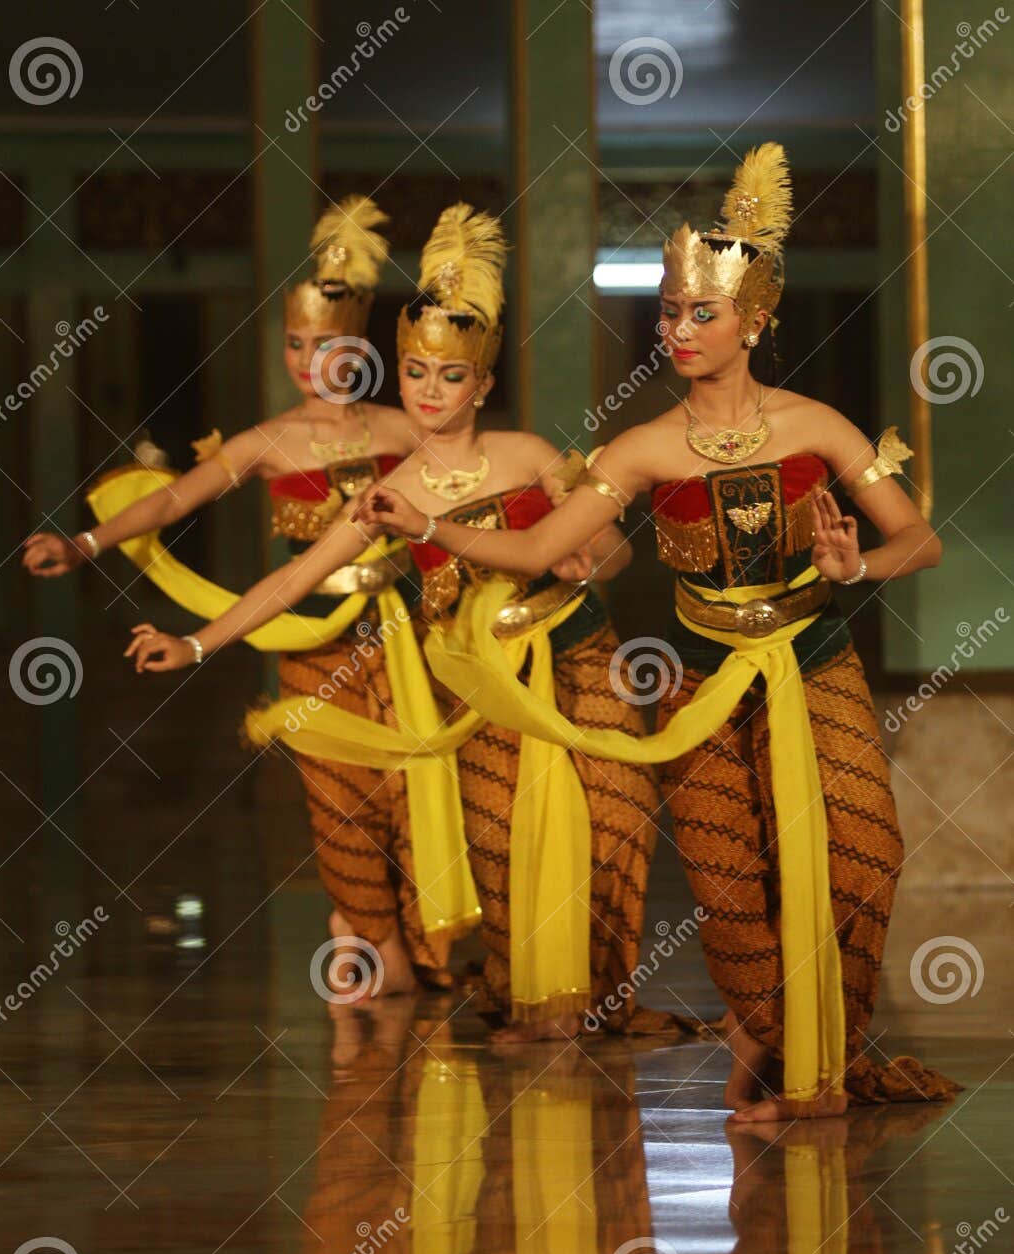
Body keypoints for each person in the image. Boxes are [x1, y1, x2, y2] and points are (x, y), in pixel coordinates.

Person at [355, 145, 958, 1117]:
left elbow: (920, 539)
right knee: (730, 871)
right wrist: (427, 525)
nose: (677, 327)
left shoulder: (819, 426)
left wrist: (858, 567)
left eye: (700, 312)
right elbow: (544, 544)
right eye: (670, 311)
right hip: (703, 676)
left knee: (865, 849)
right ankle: (764, 1036)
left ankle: (827, 1054)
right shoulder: (639, 448)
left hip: (814, 658)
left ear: (755, 320)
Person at [125, 204, 709, 1047]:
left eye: (448, 376)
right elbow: (291, 579)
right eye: (415, 373)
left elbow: (615, 549)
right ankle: (533, 1004)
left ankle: (596, 995)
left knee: (614, 826)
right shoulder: (385, 497)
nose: (430, 391)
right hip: (483, 689)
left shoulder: (531, 455)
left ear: (482, 384)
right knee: (504, 849)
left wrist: (588, 560)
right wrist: (194, 642)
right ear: (396, 378)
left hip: (578, 657)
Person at [24, 197, 472, 996]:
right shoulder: (268, 442)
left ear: (358, 348)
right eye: (295, 343)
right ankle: (369, 937)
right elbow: (170, 501)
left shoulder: (406, 431)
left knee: (416, 783)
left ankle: (411, 939)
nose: (308, 359)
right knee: (337, 797)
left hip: (402, 630)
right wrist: (83, 543)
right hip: (307, 634)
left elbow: (472, 498)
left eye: (326, 343)